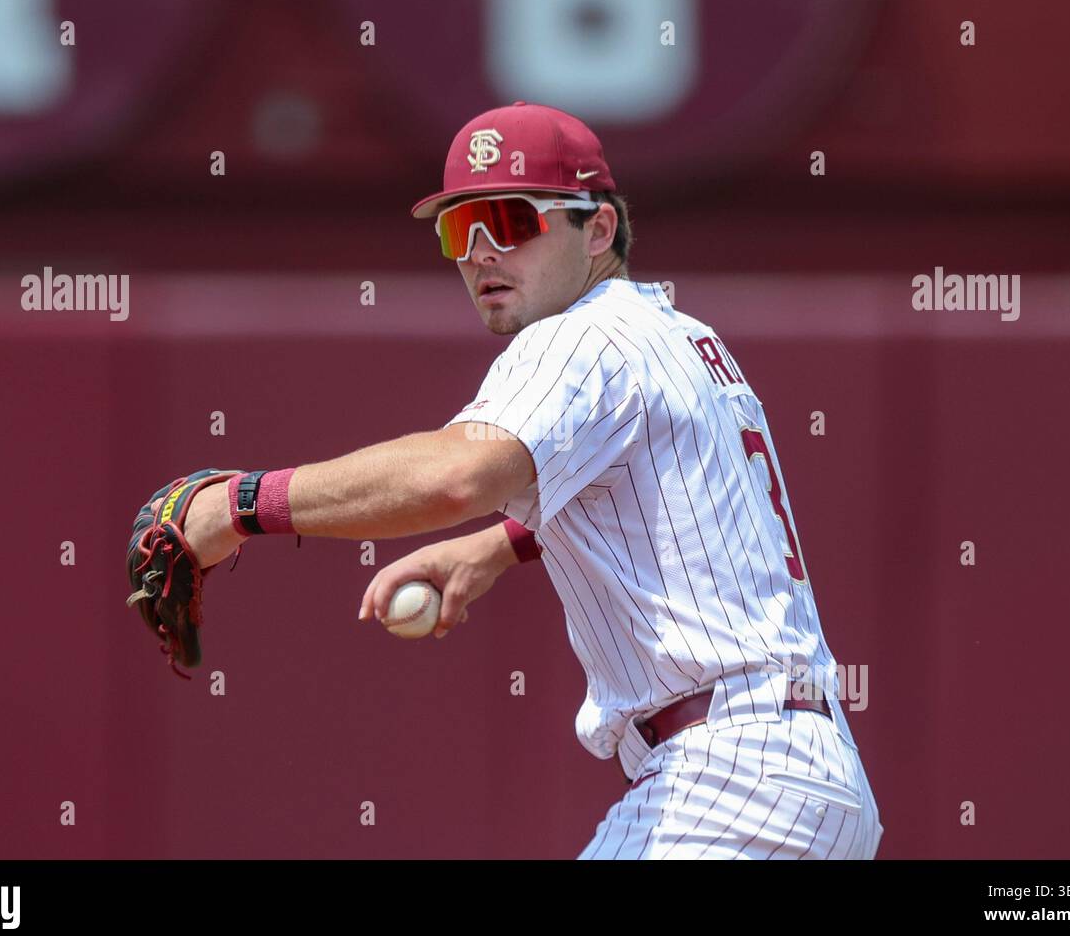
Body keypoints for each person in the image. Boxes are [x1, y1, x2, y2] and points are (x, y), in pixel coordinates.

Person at [180, 101, 883, 859]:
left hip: (730, 783)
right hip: (806, 774)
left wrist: (241, 504)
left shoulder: (577, 336)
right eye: (459, 229)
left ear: (599, 230)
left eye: (509, 220)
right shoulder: (681, 336)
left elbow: (457, 476)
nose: (481, 251)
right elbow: (665, 502)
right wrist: (496, 547)